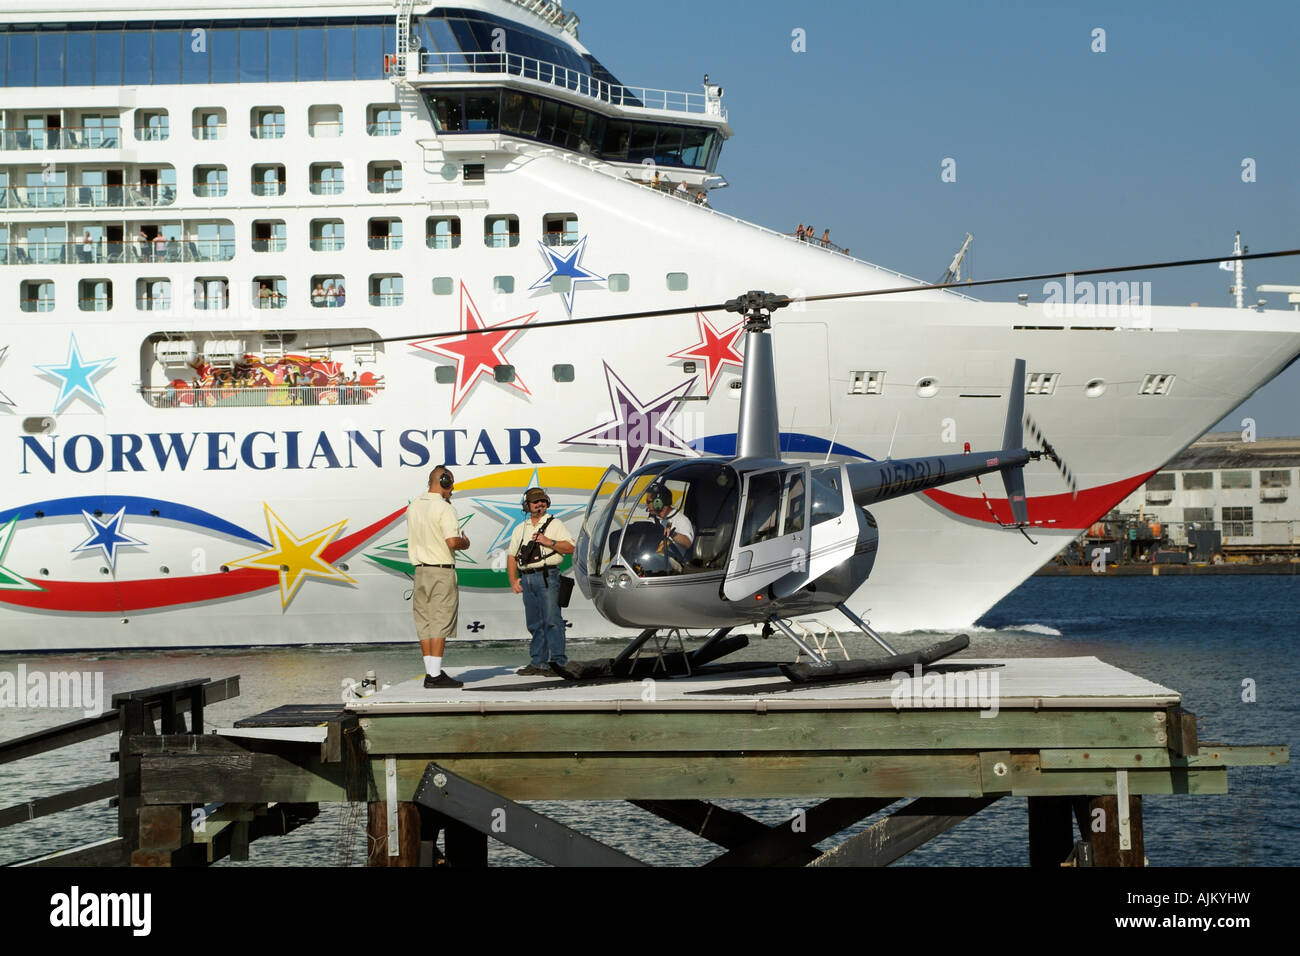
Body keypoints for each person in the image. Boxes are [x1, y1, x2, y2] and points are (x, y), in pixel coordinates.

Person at [407, 465, 471, 688]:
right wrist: (466, 542)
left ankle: (430, 673)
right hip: (440, 570)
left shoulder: (413, 506)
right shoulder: (445, 508)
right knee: (440, 621)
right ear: (443, 481)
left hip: (419, 571)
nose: (452, 488)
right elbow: (452, 542)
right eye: (451, 483)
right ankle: (435, 676)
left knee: (424, 622)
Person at [508, 488, 575, 675]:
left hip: (548, 576)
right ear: (527, 505)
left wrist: (549, 542)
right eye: (535, 501)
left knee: (552, 620)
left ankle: (558, 662)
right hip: (527, 578)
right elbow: (512, 556)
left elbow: (570, 547)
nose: (540, 504)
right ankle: (538, 662)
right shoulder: (520, 528)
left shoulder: (555, 523)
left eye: (543, 501)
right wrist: (513, 580)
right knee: (534, 623)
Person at [644, 483, 693, 558]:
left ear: (658, 502)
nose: (646, 505)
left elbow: (688, 543)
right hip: (652, 559)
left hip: (672, 564)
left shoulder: (681, 520)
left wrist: (672, 533)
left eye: (648, 502)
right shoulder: (653, 519)